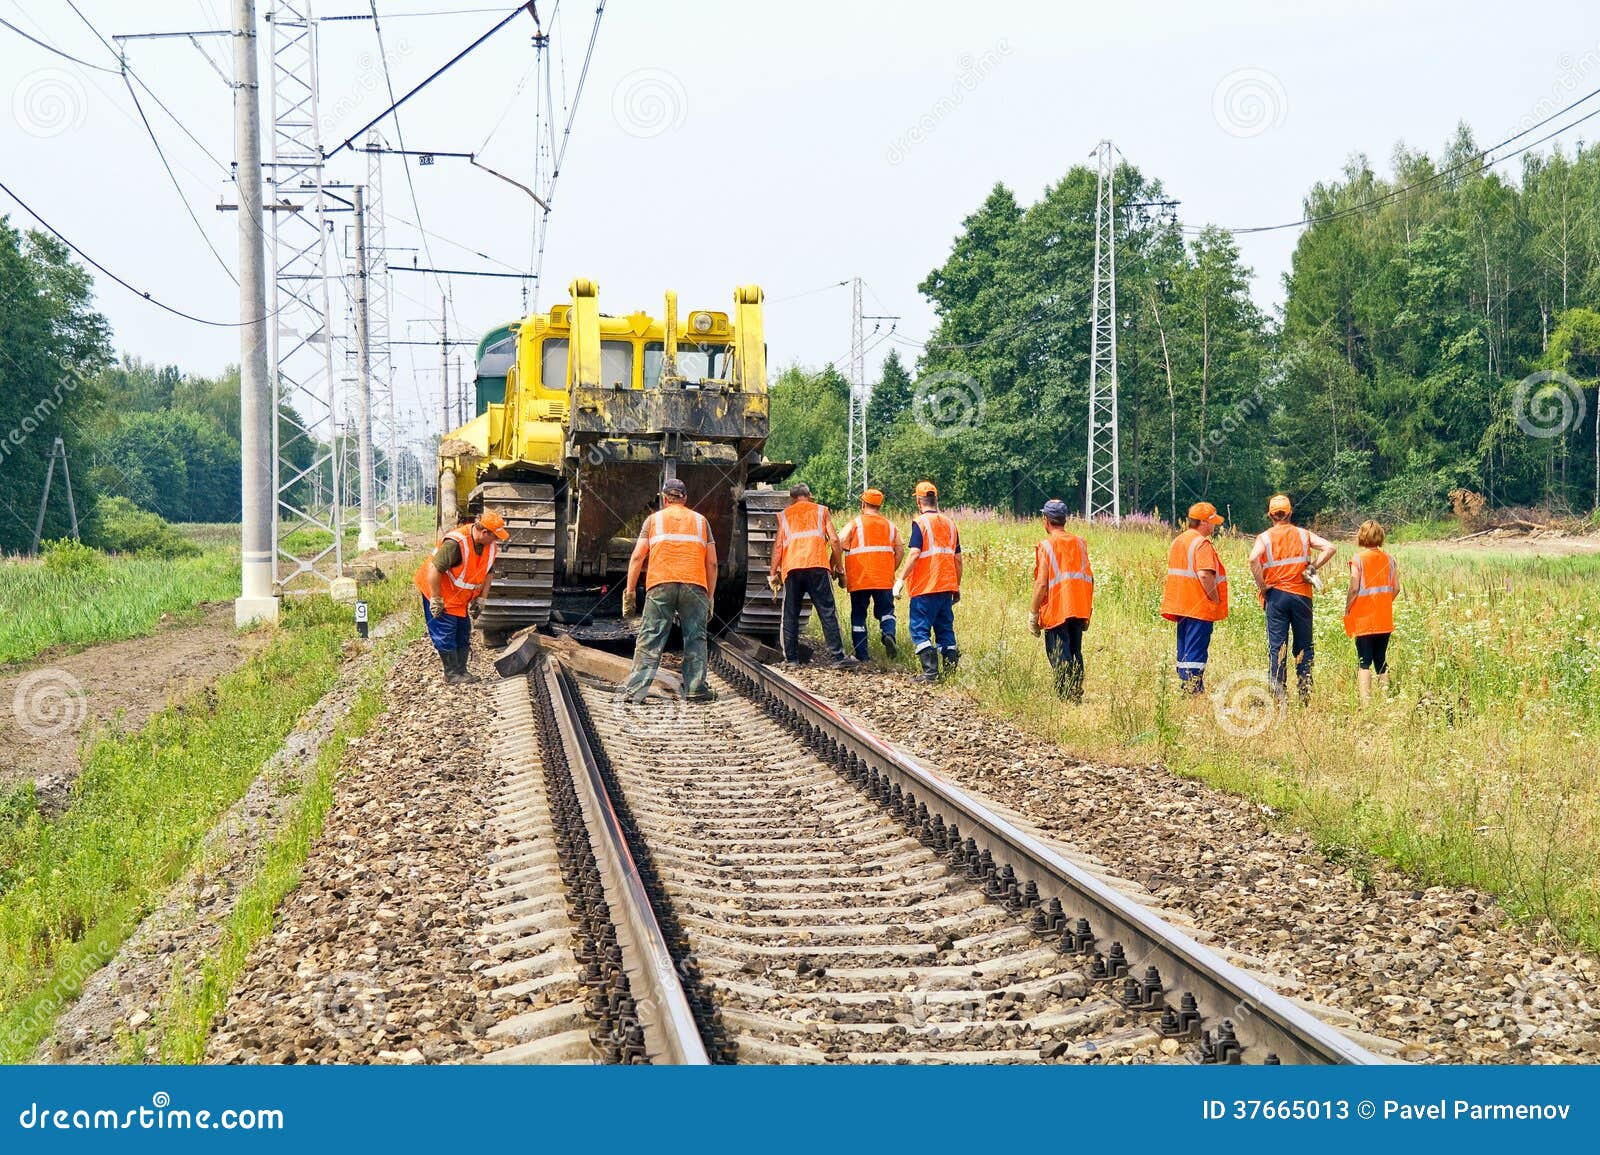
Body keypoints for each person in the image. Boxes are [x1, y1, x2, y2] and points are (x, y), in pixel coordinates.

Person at [620, 477, 719, 703]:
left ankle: (636, 692)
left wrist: (630, 591)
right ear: (684, 498)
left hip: (660, 584)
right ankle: (696, 690)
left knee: (651, 638)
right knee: (695, 638)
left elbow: (637, 557)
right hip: (695, 586)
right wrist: (710, 597)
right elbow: (712, 563)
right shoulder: (701, 521)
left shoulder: (653, 520)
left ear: (664, 499)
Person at [1248, 494, 1336, 701]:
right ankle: (1305, 691)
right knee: (1304, 645)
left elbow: (1253, 559)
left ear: (1270, 515)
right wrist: (1313, 566)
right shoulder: (1303, 534)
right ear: (1289, 513)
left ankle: (1279, 695)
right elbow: (1330, 547)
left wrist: (1262, 586)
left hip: (1276, 597)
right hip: (1302, 596)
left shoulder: (1265, 538)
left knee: (1278, 647)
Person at [415, 510, 510, 684]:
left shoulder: (489, 546)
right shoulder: (456, 543)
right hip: (440, 592)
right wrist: (436, 599)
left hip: (459, 597)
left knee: (462, 631)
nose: (497, 540)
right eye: (495, 536)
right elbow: (435, 569)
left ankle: (461, 671)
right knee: (445, 632)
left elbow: (488, 572)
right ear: (484, 532)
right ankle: (452, 674)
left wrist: (482, 599)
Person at [770, 482, 853, 667]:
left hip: (792, 569)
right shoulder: (822, 511)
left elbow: (778, 546)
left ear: (792, 499)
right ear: (809, 495)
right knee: (827, 611)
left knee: (790, 614)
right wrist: (838, 567)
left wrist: (773, 572)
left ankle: (791, 659)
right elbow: (834, 540)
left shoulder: (785, 515)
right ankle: (837, 657)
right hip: (817, 566)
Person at [894, 480, 961, 683]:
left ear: (918, 501)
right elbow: (958, 558)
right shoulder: (950, 524)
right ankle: (949, 673)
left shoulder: (920, 523)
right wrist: (956, 585)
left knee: (920, 628)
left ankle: (930, 673)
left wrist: (900, 579)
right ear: (936, 499)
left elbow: (914, 554)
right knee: (945, 630)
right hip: (946, 587)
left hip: (925, 587)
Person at [1159, 502, 1229, 692]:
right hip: (1198, 606)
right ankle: (1192, 690)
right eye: (1213, 522)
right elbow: (1205, 574)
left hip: (1180, 605)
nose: (1215, 526)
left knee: (1184, 649)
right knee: (1196, 650)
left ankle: (1186, 685)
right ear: (1204, 522)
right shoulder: (1201, 543)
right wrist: (1214, 597)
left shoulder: (1179, 541)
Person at [1027, 499, 1093, 701]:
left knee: (1059, 653)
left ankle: (1065, 696)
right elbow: (1090, 578)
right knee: (1075, 651)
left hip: (1057, 609)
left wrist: (1033, 613)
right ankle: (1075, 692)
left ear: (1045, 520)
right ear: (1065, 519)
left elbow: (1041, 584)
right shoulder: (1080, 543)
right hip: (1079, 607)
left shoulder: (1046, 546)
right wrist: (1088, 610)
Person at [837, 487, 905, 662]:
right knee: (887, 612)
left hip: (860, 579)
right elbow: (900, 550)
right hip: (883, 579)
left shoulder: (855, 524)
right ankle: (888, 633)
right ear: (879, 505)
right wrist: (891, 570)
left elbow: (837, 543)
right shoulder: (890, 526)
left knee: (859, 615)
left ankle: (863, 656)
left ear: (863, 503)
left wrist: (837, 569)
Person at [1343, 519, 1400, 705]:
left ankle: (1366, 703)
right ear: (1381, 537)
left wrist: (1348, 608)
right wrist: (1383, 603)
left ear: (1362, 536)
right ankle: (1385, 700)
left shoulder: (1358, 559)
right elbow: (1396, 588)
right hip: (1384, 618)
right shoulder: (1390, 559)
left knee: (1364, 660)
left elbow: (1353, 588)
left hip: (1364, 619)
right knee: (1381, 660)